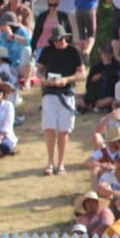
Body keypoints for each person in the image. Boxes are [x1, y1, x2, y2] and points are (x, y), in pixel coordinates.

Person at [37, 25, 86, 175]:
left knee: (64, 131)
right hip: (50, 92)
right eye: (55, 40)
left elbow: (83, 74)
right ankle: (50, 162)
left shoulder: (73, 51)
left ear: (65, 38)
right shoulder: (47, 51)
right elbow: (39, 70)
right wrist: (43, 80)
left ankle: (61, 164)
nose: (57, 43)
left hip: (67, 93)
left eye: (60, 40)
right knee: (49, 129)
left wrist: (67, 79)